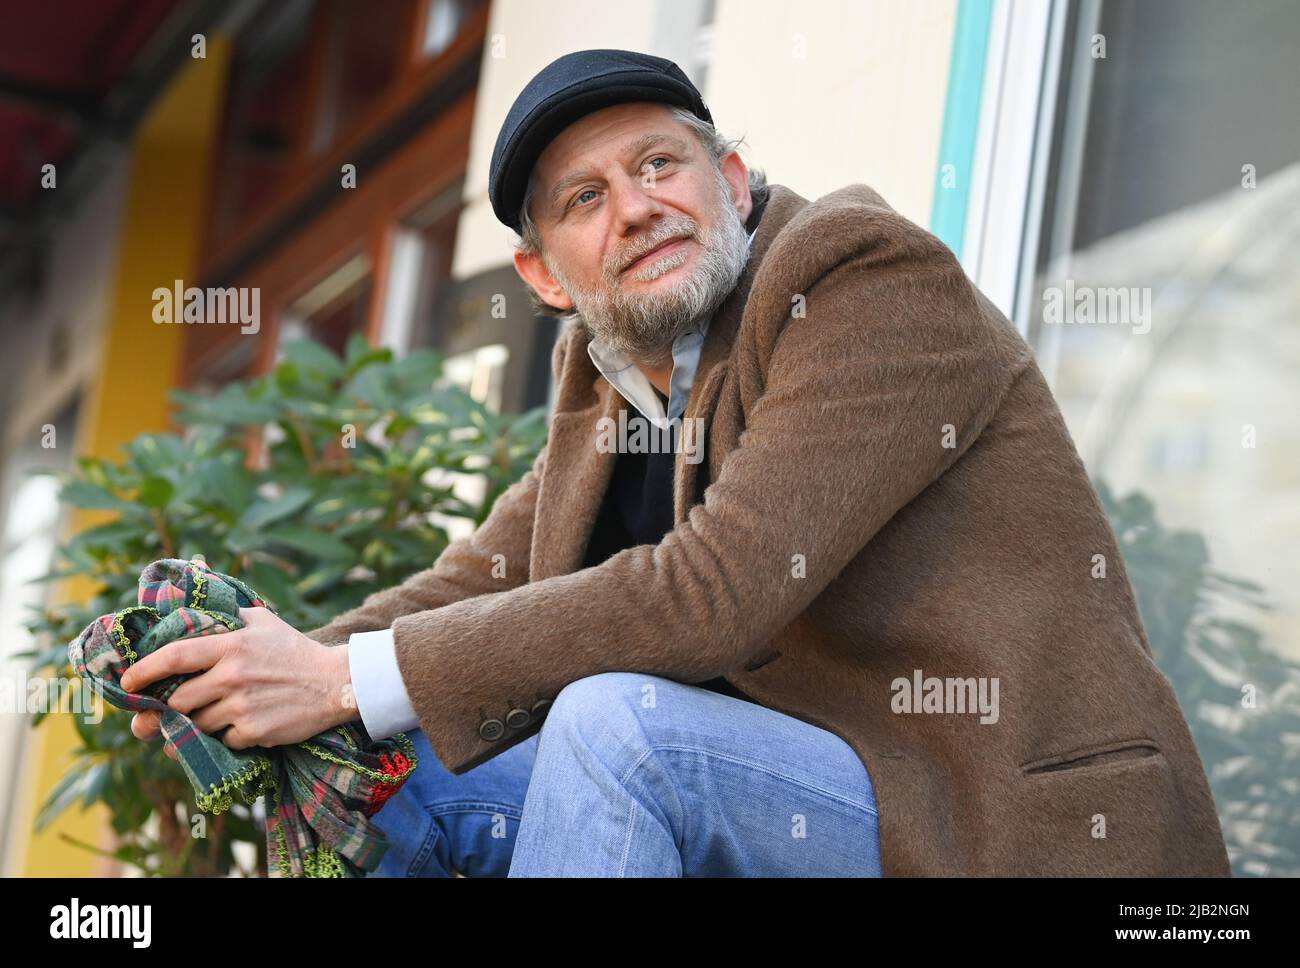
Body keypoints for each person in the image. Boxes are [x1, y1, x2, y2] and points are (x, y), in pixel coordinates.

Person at [126, 49, 1230, 877]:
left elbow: (718, 590)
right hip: (829, 788)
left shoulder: (860, 277)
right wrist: (261, 673)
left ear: (733, 177)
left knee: (619, 731)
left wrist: (333, 679)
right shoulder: (609, 371)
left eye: (659, 162)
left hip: (998, 808)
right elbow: (493, 574)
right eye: (585, 199)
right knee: (405, 769)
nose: (637, 207)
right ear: (545, 273)